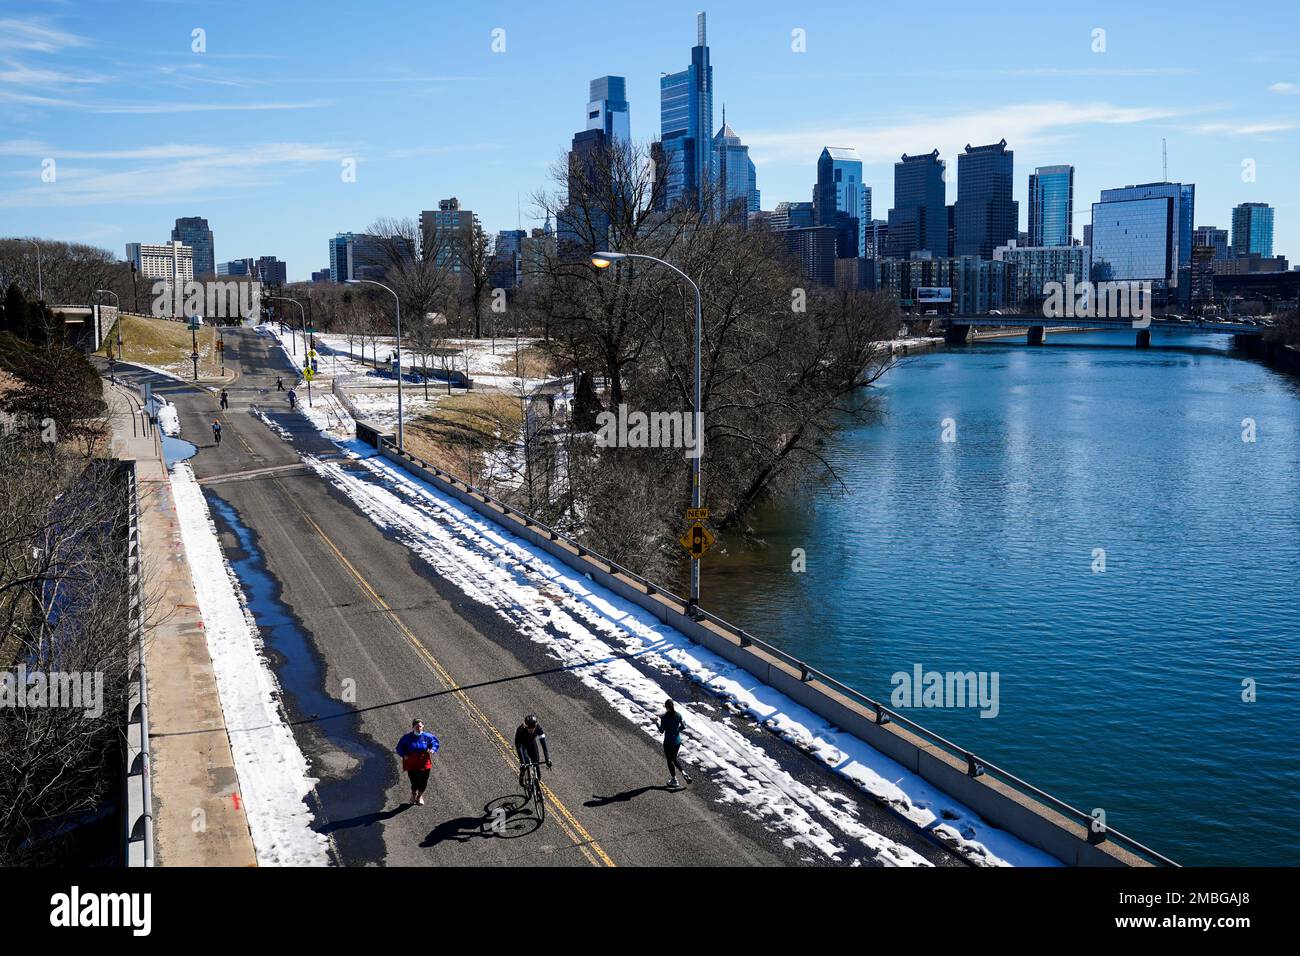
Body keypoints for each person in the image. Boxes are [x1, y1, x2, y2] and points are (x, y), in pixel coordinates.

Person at [395, 718, 440, 806]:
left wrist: (432, 750)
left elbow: (435, 743)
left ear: (423, 726)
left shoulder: (428, 737)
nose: (418, 728)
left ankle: (419, 796)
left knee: (423, 782)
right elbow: (399, 747)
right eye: (416, 726)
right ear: (413, 727)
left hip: (424, 764)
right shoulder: (407, 737)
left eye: (420, 726)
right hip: (412, 764)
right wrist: (404, 755)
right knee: (415, 782)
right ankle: (413, 794)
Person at [659, 699, 691, 789]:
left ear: (666, 707)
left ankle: (674, 780)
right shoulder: (678, 715)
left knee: (670, 761)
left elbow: (661, 731)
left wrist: (656, 723)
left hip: (668, 743)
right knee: (674, 758)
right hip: (677, 741)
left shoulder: (664, 718)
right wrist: (677, 730)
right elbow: (684, 726)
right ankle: (684, 773)